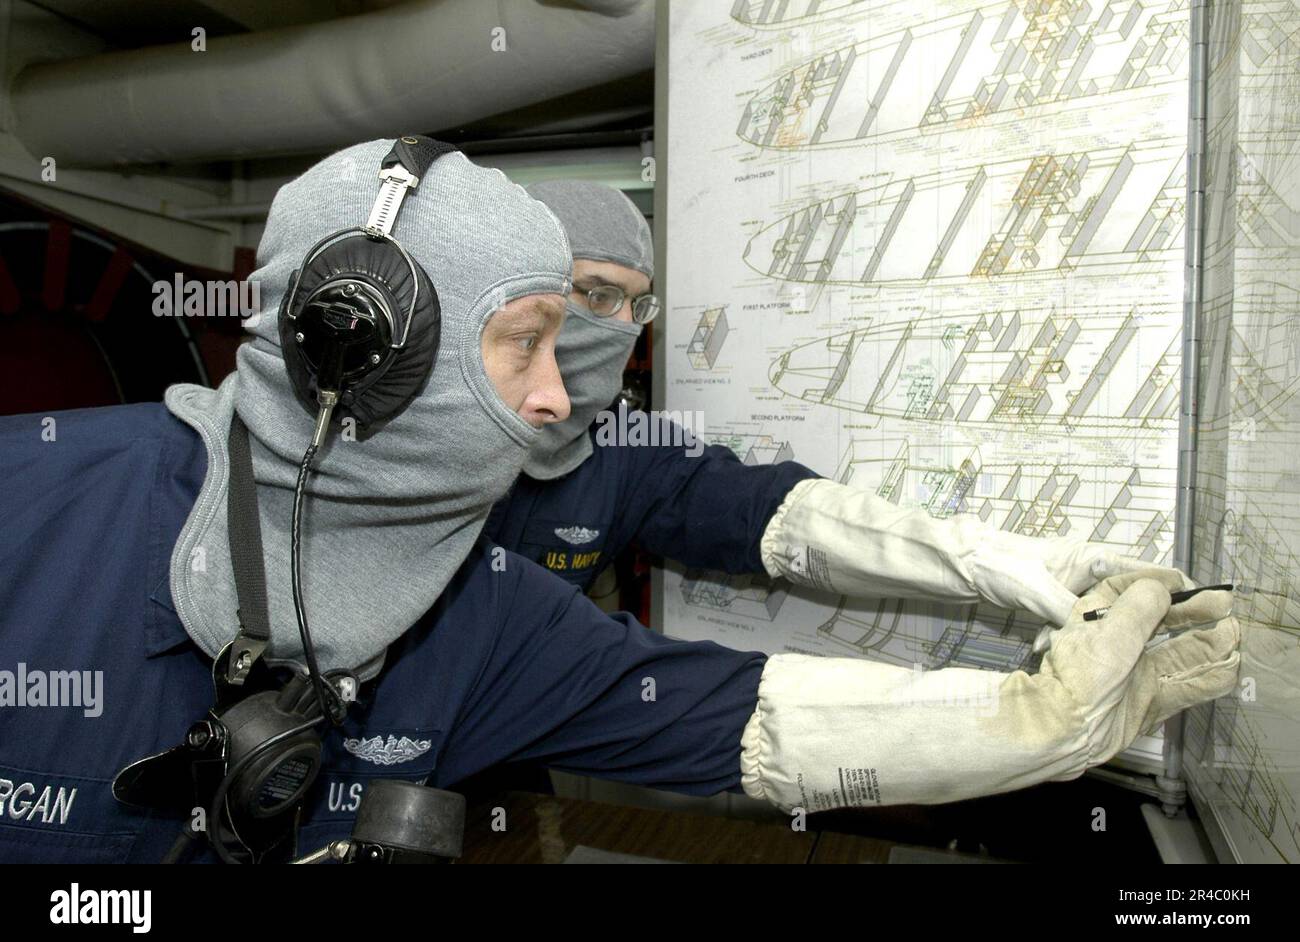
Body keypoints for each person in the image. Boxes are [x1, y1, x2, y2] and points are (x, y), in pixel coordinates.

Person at [0, 143, 1239, 864]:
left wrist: (1036, 717)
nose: (562, 391)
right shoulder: (46, 491)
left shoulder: (489, 621)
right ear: (358, 346)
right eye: (533, 335)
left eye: (601, 321)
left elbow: (749, 721)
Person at [490, 180, 1191, 640]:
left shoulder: (624, 449)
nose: (620, 327)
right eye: (598, 294)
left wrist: (984, 558)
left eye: (636, 306)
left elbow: (770, 513)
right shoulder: (417, 440)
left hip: (510, 766)